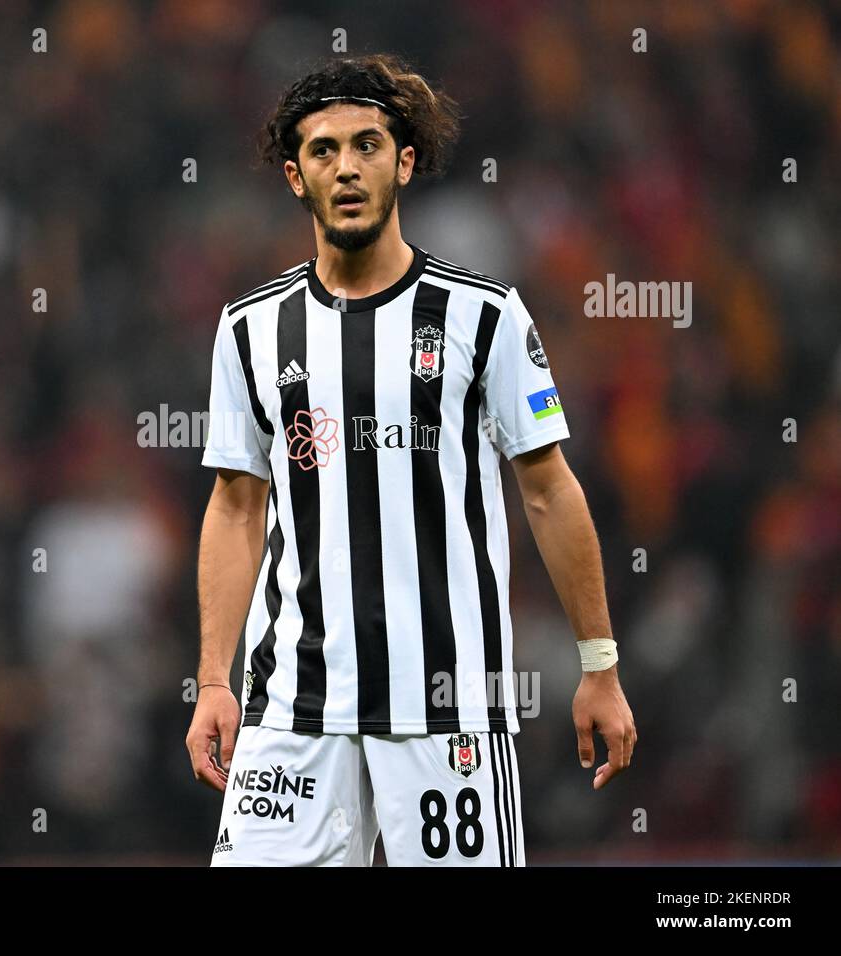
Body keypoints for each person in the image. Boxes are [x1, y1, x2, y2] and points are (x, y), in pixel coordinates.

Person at [186, 53, 636, 866]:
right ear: (295, 177)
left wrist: (598, 664)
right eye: (324, 150)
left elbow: (547, 490)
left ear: (406, 160)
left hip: (447, 707)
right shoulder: (250, 328)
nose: (347, 166)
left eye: (367, 144)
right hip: (292, 707)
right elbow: (234, 506)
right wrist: (215, 679)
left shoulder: (485, 315)